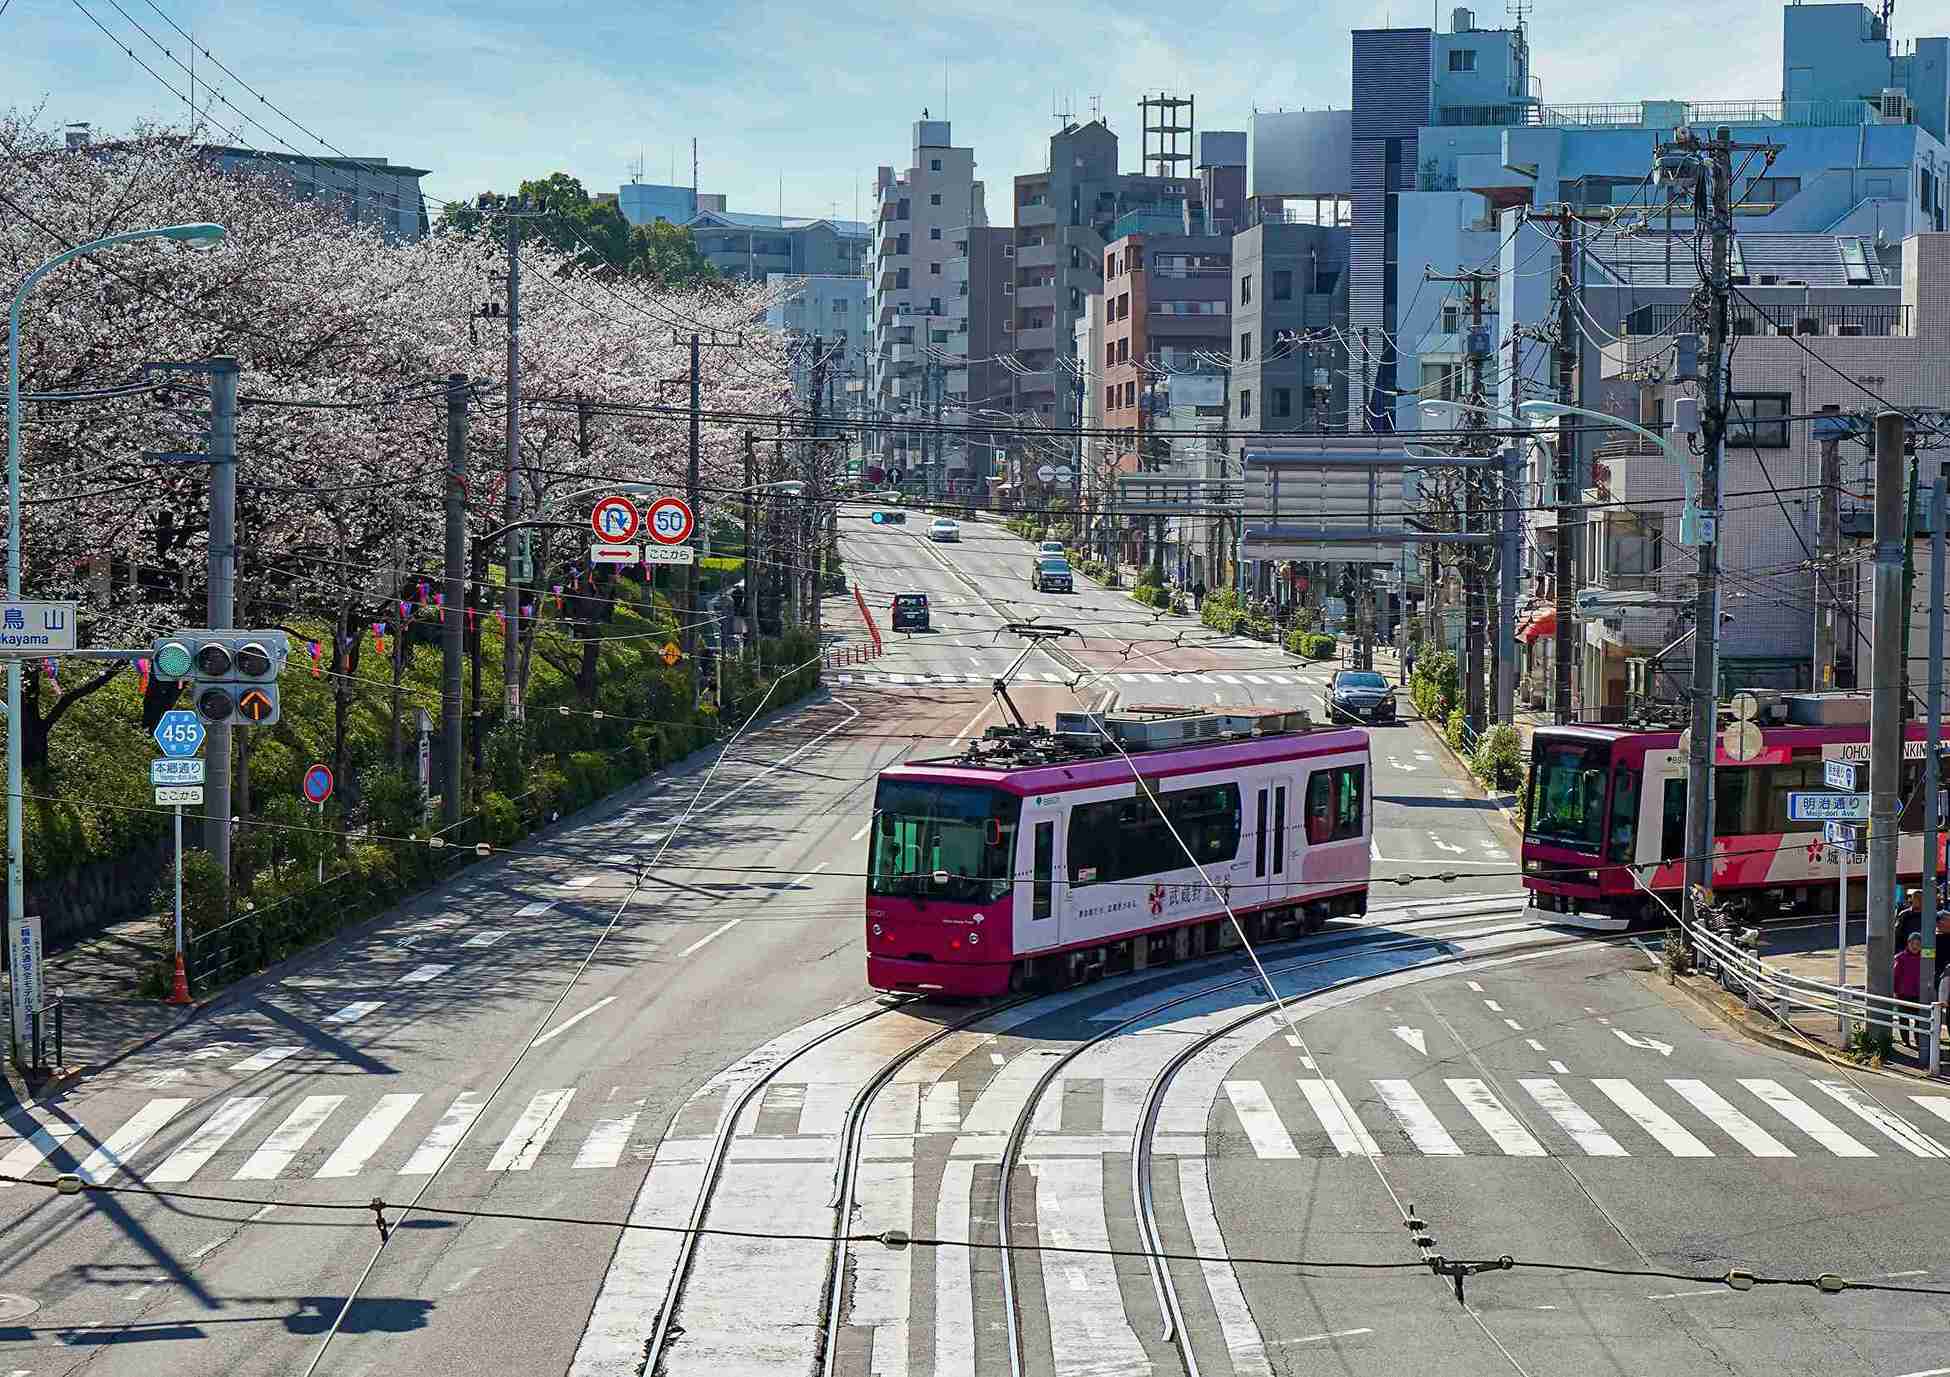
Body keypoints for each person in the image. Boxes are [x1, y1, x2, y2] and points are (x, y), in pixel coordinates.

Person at [1894, 933, 1924, 1045]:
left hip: (1919, 993)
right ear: (1908, 943)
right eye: (1913, 943)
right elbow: (1895, 976)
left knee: (1920, 1019)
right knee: (1904, 1019)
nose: (1915, 946)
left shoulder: (1925, 958)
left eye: (1918, 944)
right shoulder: (1900, 958)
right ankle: (1906, 1041)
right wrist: (1895, 991)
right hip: (1904, 993)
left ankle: (1918, 1040)